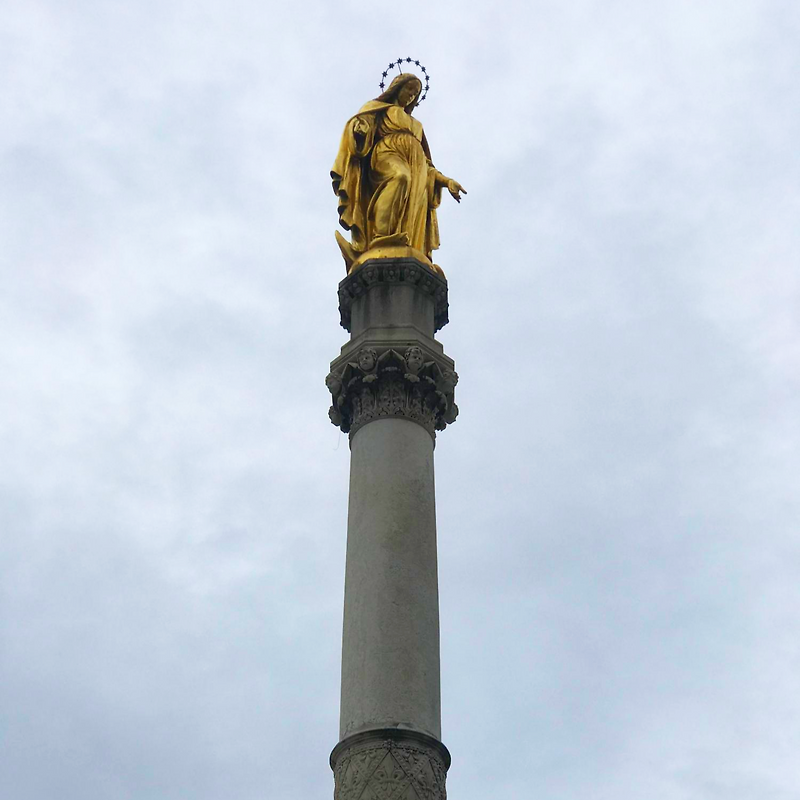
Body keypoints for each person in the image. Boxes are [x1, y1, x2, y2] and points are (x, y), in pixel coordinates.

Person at [331, 73, 466, 274]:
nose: (412, 96)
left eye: (416, 94)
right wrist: (360, 131)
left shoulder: (417, 126)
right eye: (409, 89)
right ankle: (382, 235)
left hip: (417, 167)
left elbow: (428, 165)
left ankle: (405, 242)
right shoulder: (378, 108)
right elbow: (361, 128)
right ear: (397, 87)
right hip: (386, 152)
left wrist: (446, 181)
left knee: (410, 191)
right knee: (400, 177)